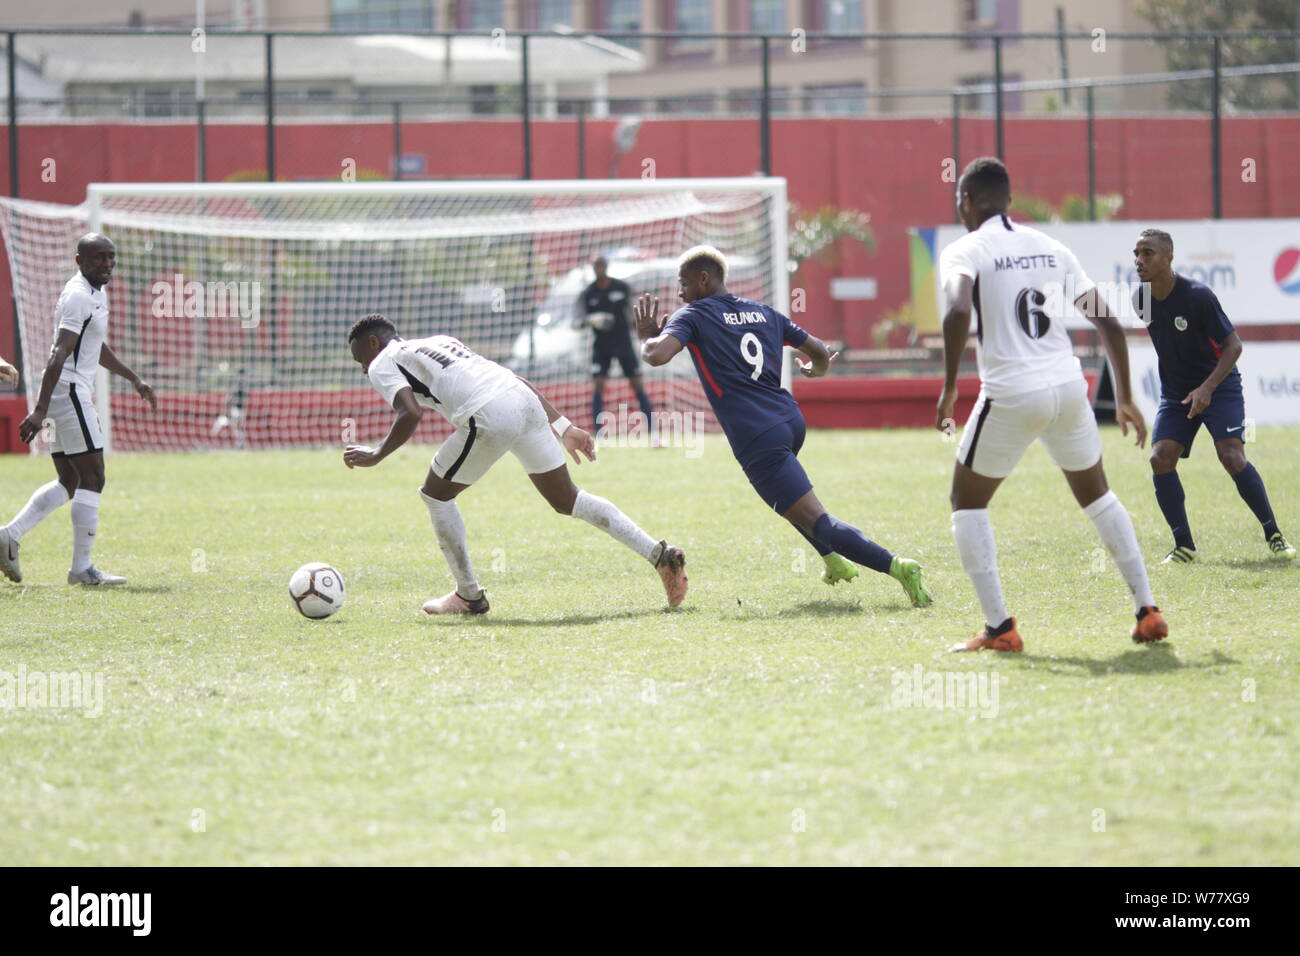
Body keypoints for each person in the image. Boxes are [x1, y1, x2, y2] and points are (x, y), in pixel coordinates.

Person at [936, 157, 1166, 652]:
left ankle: (999, 628)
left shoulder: (965, 249)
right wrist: (1124, 395)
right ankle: (1146, 609)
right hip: (1067, 388)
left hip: (1013, 392)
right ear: (1011, 201)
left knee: (966, 502)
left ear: (968, 202)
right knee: (1098, 495)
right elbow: (1106, 318)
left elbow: (956, 310)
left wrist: (950, 384)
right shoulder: (1049, 247)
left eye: (961, 201)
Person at [635, 245, 932, 607]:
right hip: (790, 421)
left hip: (756, 435)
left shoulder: (694, 315)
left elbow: (656, 355)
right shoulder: (764, 312)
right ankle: (833, 561)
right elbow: (821, 353)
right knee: (787, 500)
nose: (679, 293)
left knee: (817, 520)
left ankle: (898, 567)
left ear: (703, 278)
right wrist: (815, 371)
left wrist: (647, 335)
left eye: (683, 284)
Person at [343, 314, 687, 615]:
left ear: (373, 342)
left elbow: (410, 412)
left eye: (360, 359)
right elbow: (514, 379)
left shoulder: (382, 361)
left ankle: (469, 597)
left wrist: (377, 455)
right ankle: (660, 555)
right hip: (522, 399)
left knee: (435, 495)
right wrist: (564, 427)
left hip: (490, 413)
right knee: (567, 499)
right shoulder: (440, 341)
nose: (363, 369)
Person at [0, 233, 156, 587]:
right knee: (94, 477)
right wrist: (39, 410)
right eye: (99, 258)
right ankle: (81, 570)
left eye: (111, 258)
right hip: (67, 393)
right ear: (79, 261)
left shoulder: (94, 294)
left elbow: (93, 346)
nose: (107, 264)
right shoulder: (77, 296)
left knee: (70, 479)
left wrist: (134, 379)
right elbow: (59, 352)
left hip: (63, 394)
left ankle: (9, 535)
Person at [1133, 228, 1294, 563]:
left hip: (1219, 387)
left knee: (1232, 457)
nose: (1139, 260)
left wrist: (1207, 387)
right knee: (1160, 458)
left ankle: (1274, 534)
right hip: (1177, 392)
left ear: (1169, 258)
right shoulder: (1141, 299)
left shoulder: (1198, 296)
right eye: (1137, 253)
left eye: (1147, 253)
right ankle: (1184, 546)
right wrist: (1182, 387)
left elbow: (1233, 345)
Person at [580, 256, 654, 430]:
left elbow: (633, 312)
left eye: (601, 266)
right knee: (598, 385)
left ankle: (652, 429)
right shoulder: (588, 293)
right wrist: (592, 319)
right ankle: (599, 433)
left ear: (606, 266)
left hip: (623, 343)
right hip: (601, 346)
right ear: (593, 268)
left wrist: (642, 330)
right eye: (596, 266)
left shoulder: (622, 288)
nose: (599, 269)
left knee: (637, 383)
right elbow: (578, 321)